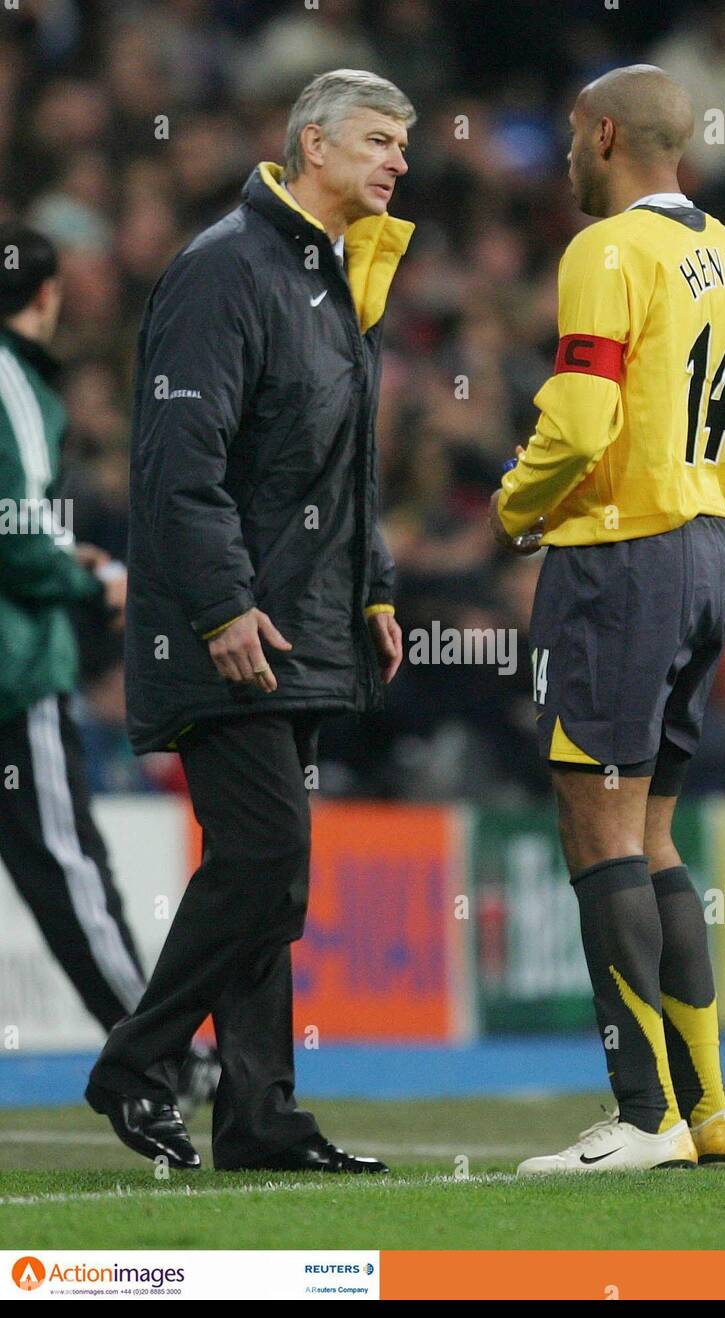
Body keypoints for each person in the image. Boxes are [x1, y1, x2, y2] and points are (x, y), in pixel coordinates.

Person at [85, 70, 414, 1173]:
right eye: (376, 140)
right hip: (224, 623)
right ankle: (139, 1060)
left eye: (402, 145)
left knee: (266, 872)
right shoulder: (225, 267)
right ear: (311, 146)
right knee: (267, 855)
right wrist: (225, 603)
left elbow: (347, 462)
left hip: (302, 620)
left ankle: (260, 1118)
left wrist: (370, 585)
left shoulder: (329, 278)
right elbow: (178, 466)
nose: (397, 162)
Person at [489, 66, 725, 1174]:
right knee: (652, 830)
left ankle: (640, 1110)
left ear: (605, 134)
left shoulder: (605, 250)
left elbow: (575, 420)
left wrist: (513, 505)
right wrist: (683, 474)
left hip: (619, 557)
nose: (567, 156)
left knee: (594, 828)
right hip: (707, 549)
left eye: (572, 136)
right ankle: (707, 1109)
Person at [0, 221, 218, 1111]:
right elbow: (13, 530)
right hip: (15, 669)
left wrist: (64, 554)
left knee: (63, 873)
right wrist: (88, 586)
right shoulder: (14, 380)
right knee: (69, 871)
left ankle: (156, 1050)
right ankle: (160, 1052)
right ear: (46, 296)